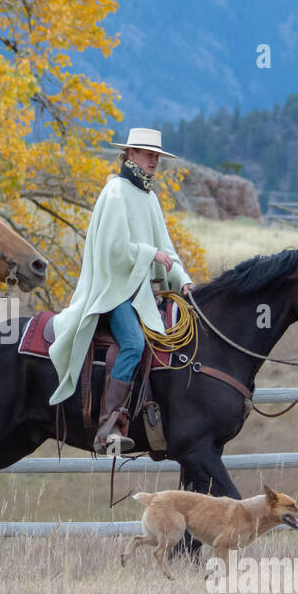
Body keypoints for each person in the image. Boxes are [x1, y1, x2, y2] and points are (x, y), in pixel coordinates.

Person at [46, 127, 194, 453]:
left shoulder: (148, 197)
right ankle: (109, 424)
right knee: (133, 342)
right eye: (148, 154)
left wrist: (182, 278)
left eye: (157, 155)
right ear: (130, 155)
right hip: (114, 290)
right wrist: (149, 254)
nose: (154, 160)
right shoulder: (115, 191)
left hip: (141, 291)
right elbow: (114, 249)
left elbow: (166, 247)